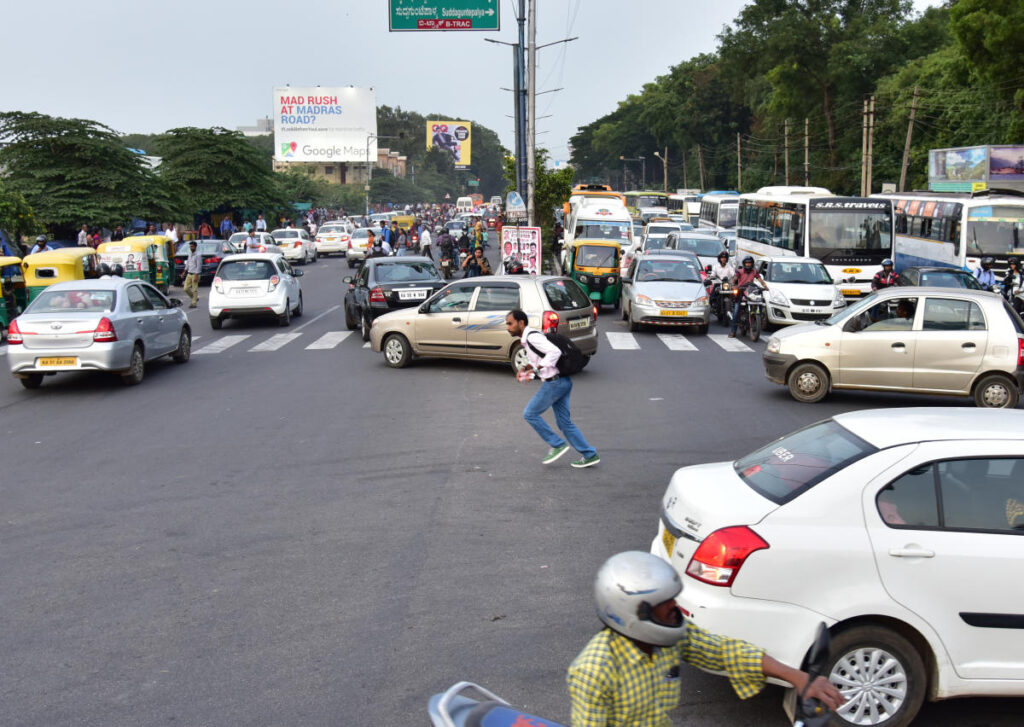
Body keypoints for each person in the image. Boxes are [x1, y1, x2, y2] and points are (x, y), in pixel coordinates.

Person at [567, 551, 843, 727]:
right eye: (666, 602)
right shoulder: (593, 672)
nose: (675, 606)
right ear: (636, 612)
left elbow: (724, 652)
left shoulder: (669, 639)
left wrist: (798, 678)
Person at [506, 308, 599, 468]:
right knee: (564, 423)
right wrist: (528, 368)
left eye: (510, 323)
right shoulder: (528, 339)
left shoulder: (532, 337)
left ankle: (557, 444)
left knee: (530, 413)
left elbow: (554, 352)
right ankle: (589, 454)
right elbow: (540, 357)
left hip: (554, 383)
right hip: (562, 382)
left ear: (521, 323)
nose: (507, 327)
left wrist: (537, 369)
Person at [729, 256, 764, 338]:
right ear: (744, 264)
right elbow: (734, 280)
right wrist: (734, 285)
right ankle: (733, 331)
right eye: (747, 263)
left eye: (749, 263)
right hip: (741, 293)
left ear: (752, 264)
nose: (748, 265)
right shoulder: (739, 271)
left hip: (750, 292)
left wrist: (765, 287)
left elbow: (760, 280)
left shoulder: (754, 271)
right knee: (736, 312)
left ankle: (758, 320)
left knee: (760, 303)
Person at [183, 240, 203, 308]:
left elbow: (199, 266)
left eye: (192, 246)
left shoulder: (198, 255)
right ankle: (195, 298)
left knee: (194, 289)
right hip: (189, 273)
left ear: (195, 247)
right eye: (190, 246)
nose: (191, 248)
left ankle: (194, 303)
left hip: (195, 274)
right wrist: (184, 272)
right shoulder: (189, 253)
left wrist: (196, 275)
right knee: (185, 288)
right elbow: (188, 263)